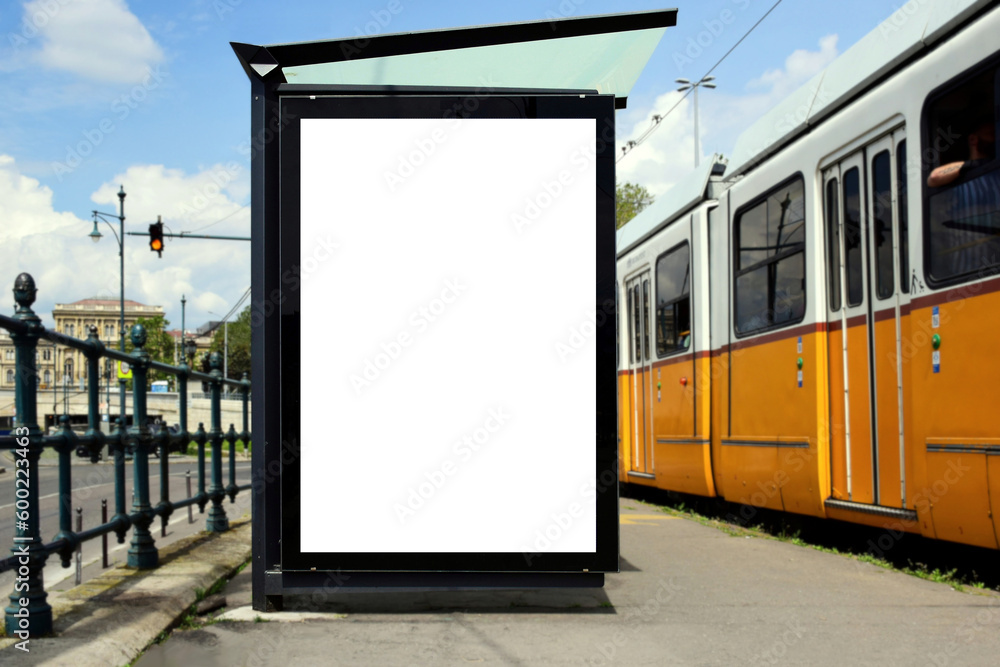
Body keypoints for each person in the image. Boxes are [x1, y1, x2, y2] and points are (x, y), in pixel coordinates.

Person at [927, 120, 995, 187]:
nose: (996, 138)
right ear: (972, 139)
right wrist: (977, 163)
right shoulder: (961, 173)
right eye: (991, 134)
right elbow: (934, 176)